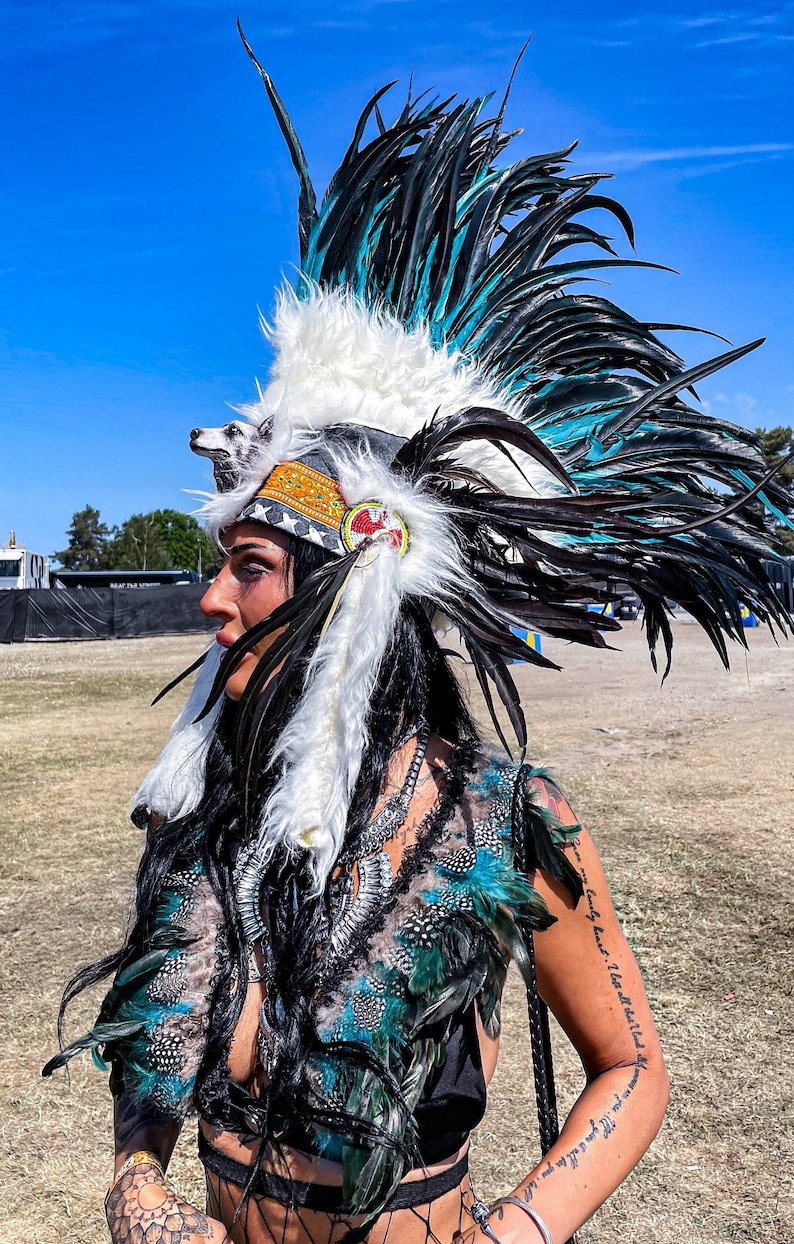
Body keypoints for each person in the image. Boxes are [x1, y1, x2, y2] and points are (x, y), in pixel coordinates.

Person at [45, 43, 790, 1244]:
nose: (209, 603)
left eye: (246, 567)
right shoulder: (211, 808)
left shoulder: (500, 819)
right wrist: (137, 1182)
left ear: (349, 598)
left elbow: (631, 1067)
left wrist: (515, 1233)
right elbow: (160, 1034)